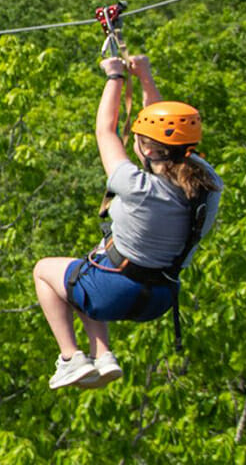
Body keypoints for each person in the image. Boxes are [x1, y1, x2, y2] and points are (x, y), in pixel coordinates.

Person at [33, 53, 222, 390]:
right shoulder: (207, 183)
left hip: (113, 290)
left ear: (147, 149)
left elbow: (105, 130)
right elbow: (166, 128)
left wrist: (114, 77)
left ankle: (70, 358)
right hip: (160, 297)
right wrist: (144, 75)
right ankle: (103, 354)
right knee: (85, 268)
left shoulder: (137, 187)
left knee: (45, 270)